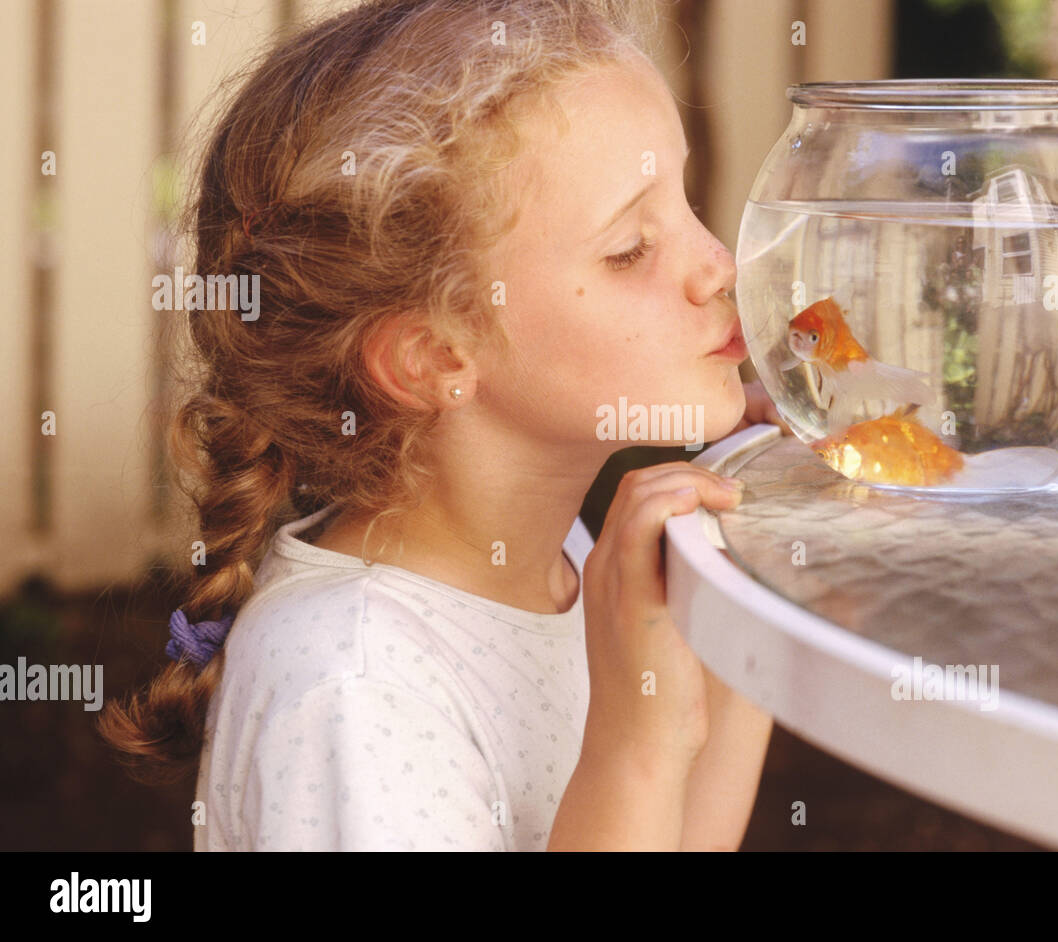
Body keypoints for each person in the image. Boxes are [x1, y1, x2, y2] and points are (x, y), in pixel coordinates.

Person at [98, 0, 786, 851]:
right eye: (628, 249)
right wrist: (631, 753)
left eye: (684, 201)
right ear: (433, 357)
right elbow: (642, 783)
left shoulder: (558, 558)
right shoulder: (350, 685)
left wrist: (756, 607)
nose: (718, 262)